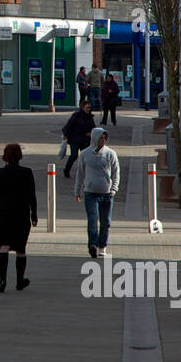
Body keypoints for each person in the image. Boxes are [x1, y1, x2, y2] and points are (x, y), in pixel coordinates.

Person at [0, 143, 37, 292]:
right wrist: (33, 214)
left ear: (5, 156)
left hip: (3, 214)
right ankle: (19, 280)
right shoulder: (27, 173)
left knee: (3, 246)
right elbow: (32, 196)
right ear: (19, 156)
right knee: (20, 248)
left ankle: (2, 280)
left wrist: (3, 202)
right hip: (21, 214)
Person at [74, 127, 119, 259]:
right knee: (93, 219)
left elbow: (116, 172)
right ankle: (93, 244)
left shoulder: (110, 153)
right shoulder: (85, 154)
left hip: (107, 193)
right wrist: (77, 190)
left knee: (106, 221)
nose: (103, 140)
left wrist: (113, 189)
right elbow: (80, 173)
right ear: (94, 138)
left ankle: (102, 245)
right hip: (90, 192)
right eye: (101, 138)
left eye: (105, 138)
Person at [62, 98, 96, 177]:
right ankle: (67, 169)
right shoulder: (77, 115)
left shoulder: (90, 117)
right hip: (75, 139)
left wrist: (91, 133)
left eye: (89, 108)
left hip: (85, 140)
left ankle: (86, 173)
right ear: (83, 107)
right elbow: (69, 125)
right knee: (74, 155)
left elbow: (93, 128)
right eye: (87, 107)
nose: (88, 109)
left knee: (85, 157)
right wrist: (66, 135)